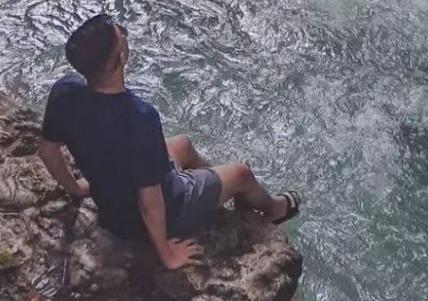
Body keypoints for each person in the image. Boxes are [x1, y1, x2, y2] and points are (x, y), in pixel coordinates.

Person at [37, 14, 300, 272]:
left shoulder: (66, 92)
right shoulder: (139, 117)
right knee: (242, 173)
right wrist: (168, 254)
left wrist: (76, 187)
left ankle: (214, 188)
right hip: (150, 217)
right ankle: (274, 208)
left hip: (110, 203)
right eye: (121, 35)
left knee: (182, 145)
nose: (123, 32)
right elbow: (149, 202)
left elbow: (48, 151)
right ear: (120, 57)